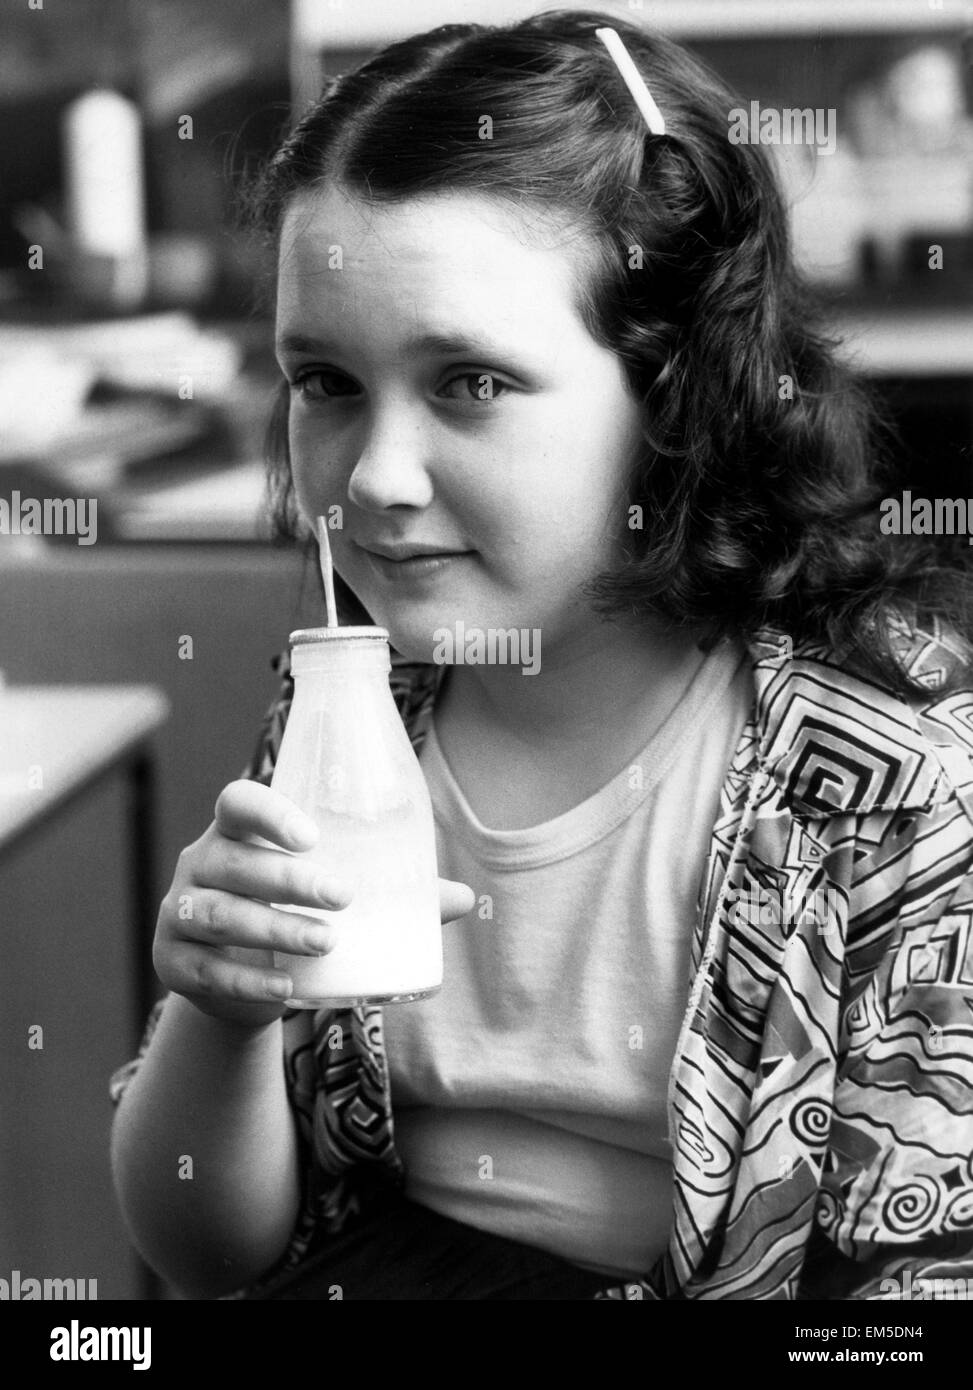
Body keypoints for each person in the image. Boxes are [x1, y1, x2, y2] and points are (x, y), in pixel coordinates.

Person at [109, 10, 973, 1300]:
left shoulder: (903, 776)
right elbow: (203, 1255)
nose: (381, 479)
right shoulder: (356, 704)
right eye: (326, 383)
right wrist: (218, 1014)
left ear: (681, 392)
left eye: (471, 384)